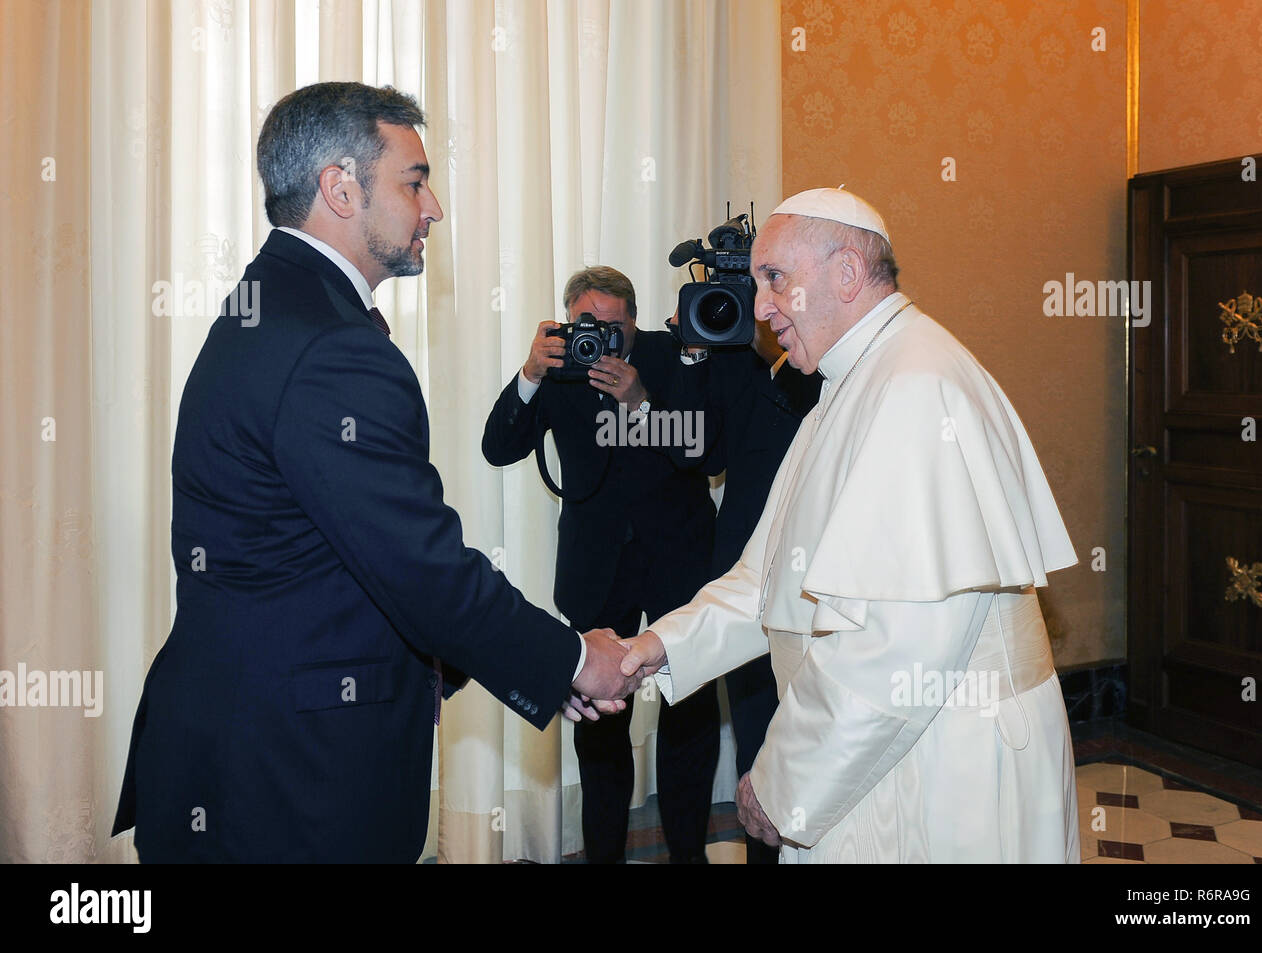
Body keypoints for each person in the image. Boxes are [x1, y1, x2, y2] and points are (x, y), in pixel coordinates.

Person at [110, 82, 637, 863]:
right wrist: (569, 659)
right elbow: (419, 567)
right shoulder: (331, 344)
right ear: (341, 187)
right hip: (291, 784)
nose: (434, 209)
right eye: (415, 180)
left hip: (239, 750)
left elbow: (347, 562)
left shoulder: (266, 300)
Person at [618, 187, 1081, 863]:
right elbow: (770, 575)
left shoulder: (916, 386)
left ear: (846, 273)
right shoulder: (846, 383)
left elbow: (895, 653)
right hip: (884, 753)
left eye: (775, 277)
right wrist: (656, 645)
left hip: (944, 765)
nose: (760, 306)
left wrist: (780, 785)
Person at [482, 268, 720, 863]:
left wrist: (639, 400)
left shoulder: (673, 354)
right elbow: (498, 447)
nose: (602, 337)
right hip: (597, 566)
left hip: (678, 560)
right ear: (569, 320)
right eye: (590, 324)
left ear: (634, 320)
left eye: (614, 326)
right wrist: (532, 374)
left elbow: (704, 454)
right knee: (600, 726)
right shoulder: (560, 364)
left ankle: (689, 852)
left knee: (687, 713)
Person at [662, 311, 820, 863]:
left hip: (819, 588)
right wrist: (693, 354)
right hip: (745, 587)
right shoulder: (730, 362)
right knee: (756, 750)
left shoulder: (836, 366)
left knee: (808, 746)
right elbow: (695, 452)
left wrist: (772, 358)